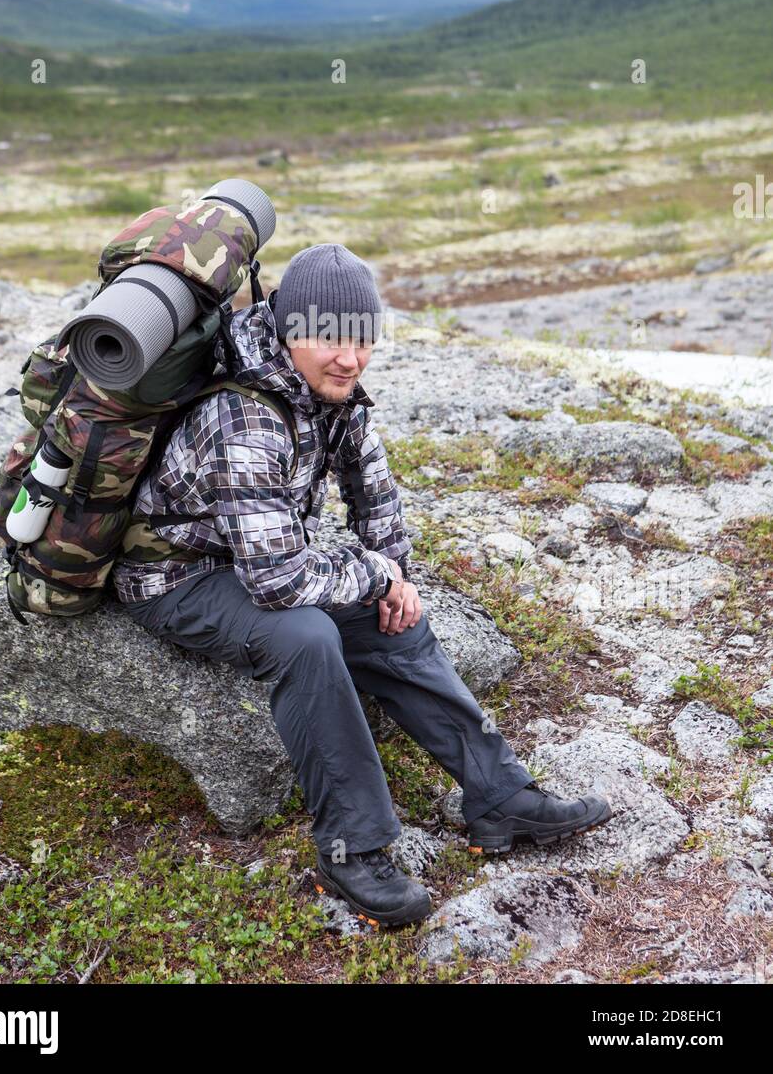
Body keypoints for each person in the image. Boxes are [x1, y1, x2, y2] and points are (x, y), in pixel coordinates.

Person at [112, 243, 612, 926]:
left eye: (363, 339)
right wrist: (373, 574)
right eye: (329, 338)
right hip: (175, 576)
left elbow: (373, 492)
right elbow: (280, 582)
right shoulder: (244, 417)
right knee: (307, 635)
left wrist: (393, 575)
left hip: (250, 555)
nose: (349, 357)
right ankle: (353, 849)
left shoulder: (331, 392)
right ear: (289, 330)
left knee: (389, 612)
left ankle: (499, 796)